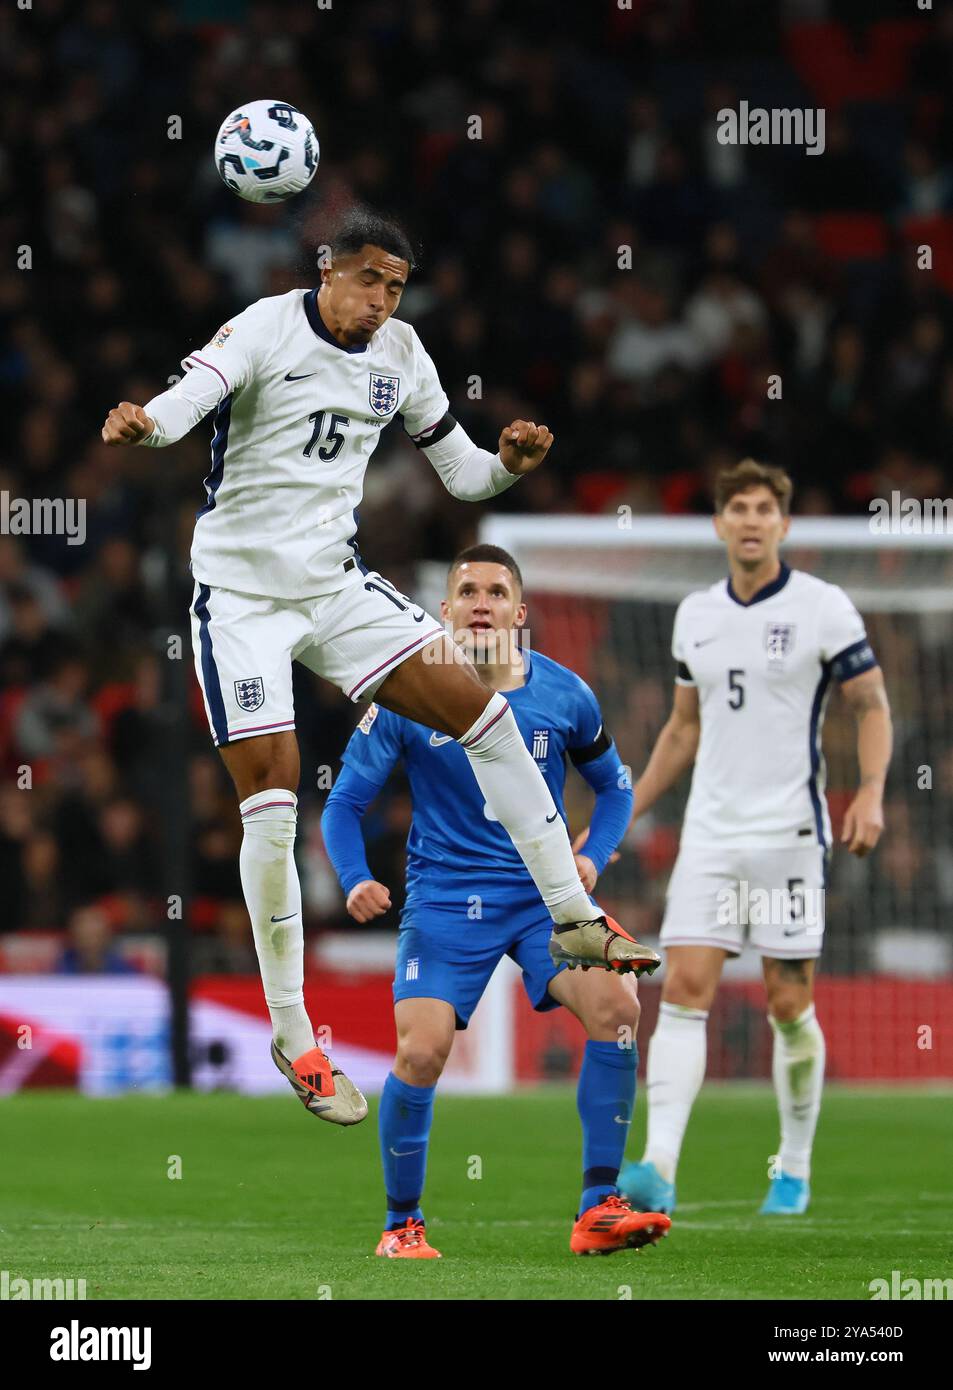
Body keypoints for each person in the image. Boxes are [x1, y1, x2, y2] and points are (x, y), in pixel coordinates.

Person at [100, 208, 656, 1127]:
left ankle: (572, 915)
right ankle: (294, 1034)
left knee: (483, 712)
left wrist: (508, 466)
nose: (378, 301)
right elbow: (184, 404)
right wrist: (144, 426)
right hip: (241, 599)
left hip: (335, 585)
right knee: (273, 801)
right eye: (366, 279)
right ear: (327, 270)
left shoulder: (403, 354)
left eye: (394, 286)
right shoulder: (262, 327)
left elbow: (466, 478)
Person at [322, 544, 670, 1257]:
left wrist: (589, 856)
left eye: (496, 591)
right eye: (467, 591)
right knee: (421, 1052)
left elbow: (616, 788)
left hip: (545, 896)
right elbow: (343, 803)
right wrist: (355, 875)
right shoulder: (404, 696)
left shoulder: (564, 694)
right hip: (446, 900)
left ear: (519, 611)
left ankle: (597, 1206)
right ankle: (400, 1226)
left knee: (619, 1011)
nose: (481, 602)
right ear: (444, 610)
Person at [619, 459, 892, 1216]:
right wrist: (626, 814)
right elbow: (681, 728)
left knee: (785, 1001)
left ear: (783, 524)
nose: (748, 520)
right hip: (708, 833)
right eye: (736, 507)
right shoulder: (694, 614)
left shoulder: (822, 607)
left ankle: (793, 1168)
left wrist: (869, 791)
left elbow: (870, 705)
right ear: (717, 523)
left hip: (790, 833)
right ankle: (657, 1169)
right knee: (681, 989)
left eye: (762, 509)